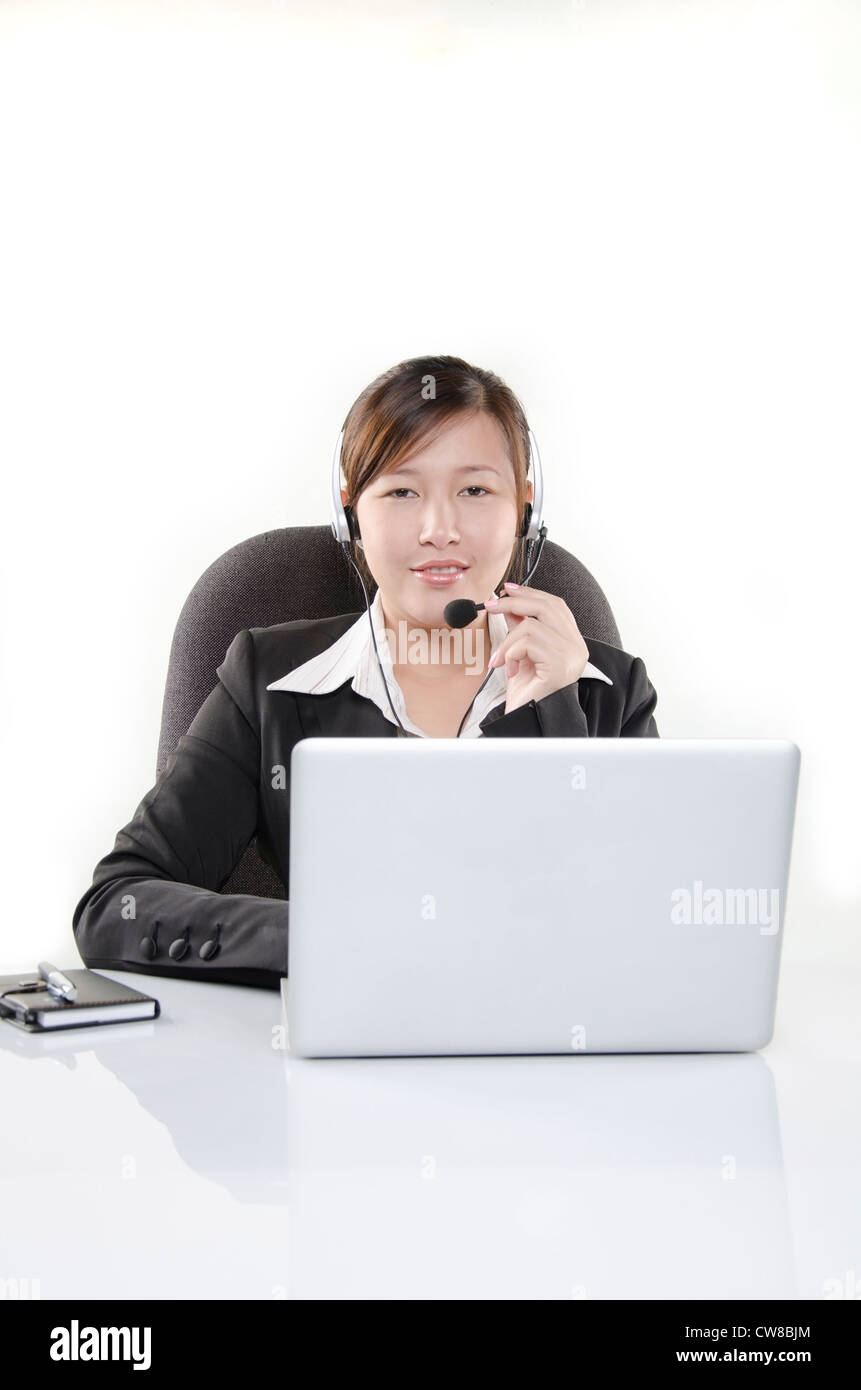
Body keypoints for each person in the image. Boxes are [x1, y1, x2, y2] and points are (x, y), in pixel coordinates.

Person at [72, 354, 659, 990]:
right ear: (353, 512)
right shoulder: (270, 683)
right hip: (329, 1065)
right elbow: (116, 907)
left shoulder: (609, 693)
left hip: (547, 1069)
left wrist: (559, 715)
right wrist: (328, 937)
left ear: (524, 507)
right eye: (403, 491)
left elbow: (647, 929)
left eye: (475, 490)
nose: (440, 529)